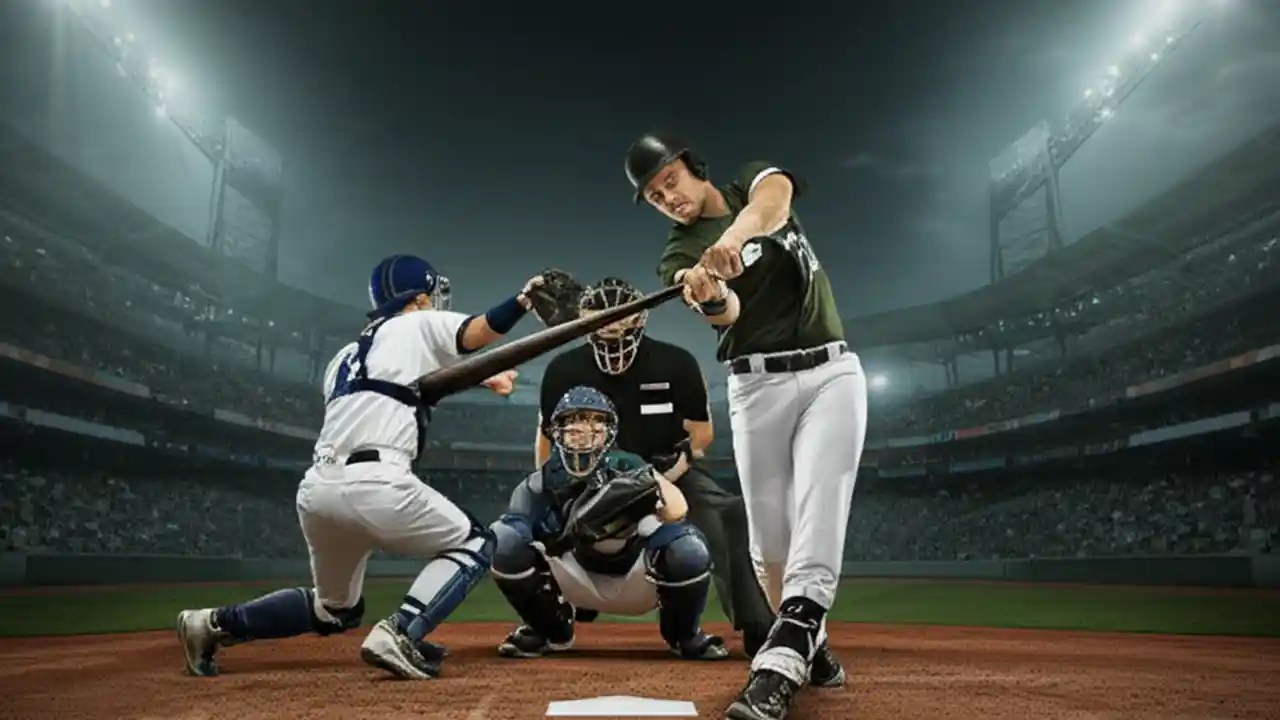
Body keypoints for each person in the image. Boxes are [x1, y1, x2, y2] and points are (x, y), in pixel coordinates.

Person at [176, 254, 541, 680]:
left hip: (319, 490)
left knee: (334, 608)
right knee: (477, 542)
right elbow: (478, 331)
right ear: (418, 299)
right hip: (377, 482)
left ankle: (211, 624)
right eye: (431, 297)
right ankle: (401, 631)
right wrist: (524, 301)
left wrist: (483, 379)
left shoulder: (345, 357)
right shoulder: (415, 324)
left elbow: (408, 383)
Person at [626, 132, 869, 720]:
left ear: (693, 166)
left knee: (820, 503)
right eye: (655, 196)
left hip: (831, 373)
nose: (668, 198)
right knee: (768, 548)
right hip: (756, 387)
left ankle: (781, 661)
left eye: (671, 181)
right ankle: (813, 641)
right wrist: (708, 291)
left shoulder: (751, 181)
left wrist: (731, 243)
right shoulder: (676, 255)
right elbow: (725, 313)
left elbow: (774, 205)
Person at [536, 276, 775, 655]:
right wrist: (552, 483)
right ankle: (545, 620)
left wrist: (680, 463)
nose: (613, 335)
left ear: (640, 321)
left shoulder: (676, 362)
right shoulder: (563, 369)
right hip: (590, 475)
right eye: (604, 327)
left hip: (666, 473)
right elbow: (548, 435)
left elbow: (702, 432)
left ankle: (756, 622)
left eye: (621, 325)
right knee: (535, 520)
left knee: (727, 513)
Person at [489, 385, 728, 660]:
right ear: (557, 431)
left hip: (635, 576)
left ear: (609, 431)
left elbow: (677, 509)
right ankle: (548, 629)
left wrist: (637, 493)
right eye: (575, 421)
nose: (585, 430)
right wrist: (551, 535)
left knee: (689, 550)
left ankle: (684, 635)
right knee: (503, 540)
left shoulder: (627, 465)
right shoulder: (543, 481)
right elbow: (513, 529)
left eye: (595, 422)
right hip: (572, 575)